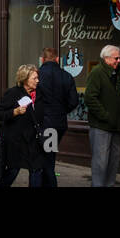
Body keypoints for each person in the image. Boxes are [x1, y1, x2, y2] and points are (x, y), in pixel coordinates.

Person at [0, 64, 45, 187]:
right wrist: (14, 112)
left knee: (36, 169)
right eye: (34, 78)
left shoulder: (39, 94)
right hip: (16, 141)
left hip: (33, 139)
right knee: (13, 170)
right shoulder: (13, 93)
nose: (37, 81)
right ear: (25, 78)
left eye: (37, 78)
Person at [35, 47, 80, 188]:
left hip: (45, 123)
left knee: (46, 161)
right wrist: (61, 110)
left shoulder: (38, 76)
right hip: (58, 122)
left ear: (42, 59)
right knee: (48, 156)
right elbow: (74, 101)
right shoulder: (66, 76)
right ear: (57, 59)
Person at [84, 44, 120, 187]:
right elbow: (89, 98)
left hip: (114, 125)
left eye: (119, 58)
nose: (119, 60)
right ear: (106, 58)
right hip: (101, 125)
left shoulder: (115, 73)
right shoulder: (97, 72)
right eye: (116, 58)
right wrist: (105, 116)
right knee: (100, 162)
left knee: (113, 161)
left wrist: (119, 117)